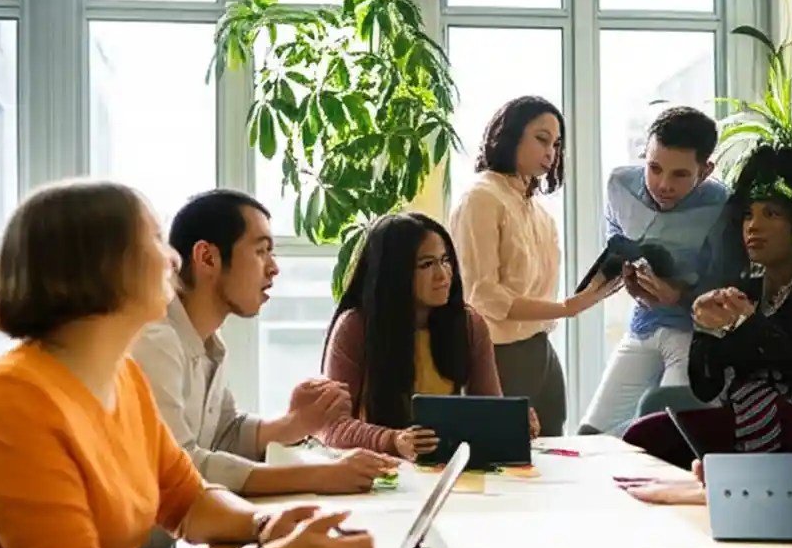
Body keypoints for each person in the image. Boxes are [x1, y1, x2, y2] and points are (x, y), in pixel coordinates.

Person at [0, 180, 375, 548]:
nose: (173, 259)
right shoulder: (8, 399)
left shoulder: (123, 378)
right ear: (98, 267)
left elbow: (188, 500)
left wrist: (265, 524)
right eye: (154, 241)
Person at [622, 143, 792, 477]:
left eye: (771, 214)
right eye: (747, 214)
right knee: (644, 437)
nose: (753, 226)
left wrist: (746, 325)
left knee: (765, 403)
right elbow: (706, 387)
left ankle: (747, 489)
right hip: (758, 425)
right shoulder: (747, 289)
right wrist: (705, 329)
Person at [131, 190, 397, 507]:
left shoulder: (208, 341)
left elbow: (225, 434)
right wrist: (320, 476)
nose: (274, 268)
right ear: (207, 258)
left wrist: (294, 423)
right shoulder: (155, 340)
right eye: (261, 251)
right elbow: (178, 466)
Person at [449, 96, 619, 436]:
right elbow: (483, 295)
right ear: (510, 135)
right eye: (542, 139)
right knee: (505, 452)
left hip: (540, 347)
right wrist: (567, 308)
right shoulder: (481, 197)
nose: (551, 152)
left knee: (555, 448)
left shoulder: (539, 211)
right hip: (496, 352)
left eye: (556, 144)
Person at [320, 212, 539, 460]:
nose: (443, 275)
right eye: (426, 264)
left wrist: (511, 423)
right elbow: (331, 426)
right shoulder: (354, 327)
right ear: (394, 272)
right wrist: (392, 440)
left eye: (445, 260)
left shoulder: (469, 324)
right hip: (376, 468)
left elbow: (489, 408)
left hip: (446, 467)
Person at [577, 106, 730, 436]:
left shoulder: (723, 205)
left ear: (705, 170)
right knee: (590, 436)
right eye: (654, 168)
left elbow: (726, 287)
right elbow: (616, 242)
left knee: (670, 434)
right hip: (642, 326)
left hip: (693, 335)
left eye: (680, 175)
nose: (663, 184)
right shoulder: (619, 185)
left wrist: (678, 295)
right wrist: (627, 280)